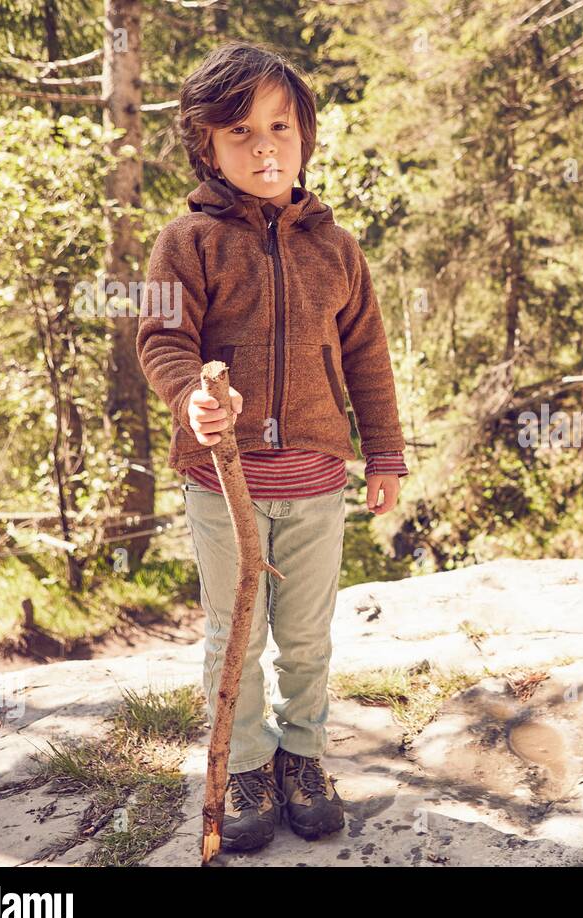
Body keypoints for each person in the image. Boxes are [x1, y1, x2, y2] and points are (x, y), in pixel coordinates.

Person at [136, 42, 408, 852]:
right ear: (207, 149)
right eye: (240, 132)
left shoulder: (338, 249)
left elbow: (367, 359)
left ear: (306, 136)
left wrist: (385, 455)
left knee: (308, 635)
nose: (264, 147)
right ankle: (247, 761)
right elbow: (161, 338)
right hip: (226, 486)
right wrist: (193, 400)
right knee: (236, 634)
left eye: (281, 127)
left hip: (318, 481)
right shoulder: (183, 243)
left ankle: (304, 755)